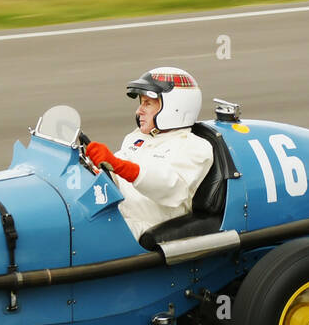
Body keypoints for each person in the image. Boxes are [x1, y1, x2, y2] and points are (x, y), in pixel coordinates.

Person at [83, 67, 214, 242]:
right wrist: (92, 167)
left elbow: (171, 187)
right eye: (141, 103)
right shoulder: (138, 137)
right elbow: (116, 175)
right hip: (115, 215)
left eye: (148, 103)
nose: (139, 111)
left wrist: (118, 165)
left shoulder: (194, 146)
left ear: (174, 107)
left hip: (148, 227)